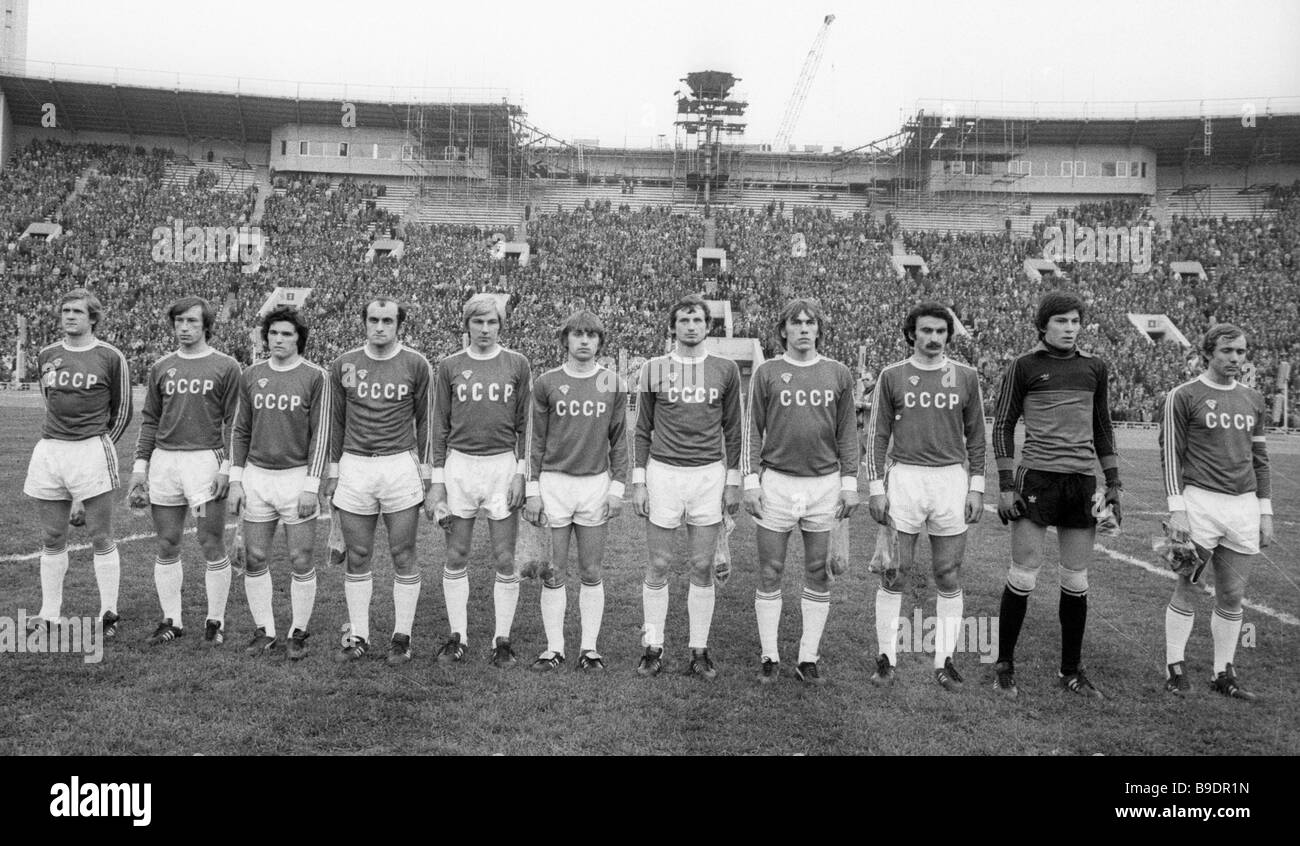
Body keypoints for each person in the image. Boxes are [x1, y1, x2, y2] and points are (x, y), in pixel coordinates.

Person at [991, 291, 1122, 699]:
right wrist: (1006, 486)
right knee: (1024, 573)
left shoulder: (1094, 368)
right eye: (1061, 321)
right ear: (1043, 326)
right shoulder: (1023, 366)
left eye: (1075, 321)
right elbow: (1002, 426)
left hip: (1081, 482)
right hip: (1037, 481)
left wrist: (1114, 484)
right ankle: (1004, 665)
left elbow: (1102, 427)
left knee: (1076, 578)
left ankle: (1071, 670)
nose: (1069, 328)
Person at [865, 302, 986, 690]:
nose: (933, 338)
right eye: (926, 331)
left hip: (951, 480)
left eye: (940, 331)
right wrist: (876, 488)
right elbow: (876, 435)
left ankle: (945, 660)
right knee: (896, 571)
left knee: (948, 572)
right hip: (906, 479)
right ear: (911, 334)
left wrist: (977, 487)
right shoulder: (893, 375)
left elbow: (977, 436)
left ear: (948, 335)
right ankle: (886, 657)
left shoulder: (966, 377)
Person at [743, 299, 858, 685]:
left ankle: (808, 657)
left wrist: (849, 484)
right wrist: (749, 481)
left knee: (817, 572)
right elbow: (751, 430)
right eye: (797, 323)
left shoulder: (838, 373)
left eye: (811, 323)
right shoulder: (768, 372)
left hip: (824, 484)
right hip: (776, 481)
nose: (804, 329)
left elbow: (847, 433)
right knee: (770, 570)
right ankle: (769, 654)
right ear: (784, 331)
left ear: (818, 330)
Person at [631, 294, 743, 679]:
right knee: (658, 564)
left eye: (697, 319)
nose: (691, 326)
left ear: (708, 326)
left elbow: (733, 430)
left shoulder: (725, 369)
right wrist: (640, 481)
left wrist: (732, 482)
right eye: (683, 320)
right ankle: (652, 646)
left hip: (708, 475)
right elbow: (642, 429)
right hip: (663, 473)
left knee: (701, 565)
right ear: (672, 327)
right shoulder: (654, 368)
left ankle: (699, 649)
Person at [1159, 324, 1272, 700]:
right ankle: (1175, 666)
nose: (1235, 359)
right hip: (1199, 504)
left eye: (1241, 352)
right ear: (1209, 353)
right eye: (1227, 351)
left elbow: (1260, 460)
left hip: (1243, 507)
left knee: (1233, 594)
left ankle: (1223, 672)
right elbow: (1171, 456)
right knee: (1188, 585)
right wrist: (1177, 510)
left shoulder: (1254, 398)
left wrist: (1265, 512)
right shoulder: (1183, 395)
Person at [325, 298, 433, 665]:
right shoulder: (345, 363)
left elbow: (426, 422)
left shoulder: (416, 364)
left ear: (398, 324)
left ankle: (401, 637)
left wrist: (427, 471)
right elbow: (336, 421)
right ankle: (358, 636)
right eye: (373, 319)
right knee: (358, 555)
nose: (380, 326)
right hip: (355, 466)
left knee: (404, 553)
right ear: (364, 321)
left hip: (399, 465)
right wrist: (334, 468)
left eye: (388, 320)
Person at [428, 294, 532, 668]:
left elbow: (526, 424)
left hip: (502, 466)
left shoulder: (517, 364)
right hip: (459, 467)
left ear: (500, 326)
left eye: (491, 322)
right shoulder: (449, 365)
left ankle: (502, 639)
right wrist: (437, 481)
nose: (485, 329)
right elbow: (438, 425)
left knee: (506, 557)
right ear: (467, 325)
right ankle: (458, 636)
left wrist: (522, 473)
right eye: (478, 322)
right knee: (456, 554)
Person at [131, 297, 240, 647]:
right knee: (167, 543)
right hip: (165, 465)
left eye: (192, 321)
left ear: (206, 325)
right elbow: (150, 420)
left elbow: (235, 423)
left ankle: (215, 619)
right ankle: (172, 620)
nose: (184, 327)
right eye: (179, 320)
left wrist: (227, 468)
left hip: (204, 466)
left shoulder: (226, 366)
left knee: (210, 540)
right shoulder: (162, 366)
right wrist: (140, 467)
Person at [523, 310, 628, 672]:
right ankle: (553, 648)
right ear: (565, 339)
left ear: (600, 342)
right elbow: (534, 441)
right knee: (553, 570)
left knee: (591, 569)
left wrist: (617, 488)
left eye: (591, 335)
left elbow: (619, 440)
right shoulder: (547, 382)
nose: (584, 341)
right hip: (553, 484)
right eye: (577, 334)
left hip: (594, 485)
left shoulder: (612, 382)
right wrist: (532, 489)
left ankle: (589, 648)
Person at [23, 288, 132, 637]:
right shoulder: (47, 354)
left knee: (100, 535)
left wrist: (101, 448)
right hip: (51, 449)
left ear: (93, 318)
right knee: (53, 535)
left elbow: (123, 411)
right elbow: (49, 400)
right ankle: (49, 612)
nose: (70, 316)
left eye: (78, 312)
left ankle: (108, 613)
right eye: (65, 310)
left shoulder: (110, 356)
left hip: (92, 449)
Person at [227, 307, 332, 661]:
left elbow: (321, 434)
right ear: (265, 337)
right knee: (255, 557)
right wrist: (236, 480)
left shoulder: (315, 376)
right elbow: (240, 430)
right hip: (257, 476)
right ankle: (265, 630)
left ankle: (298, 631)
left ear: (298, 338)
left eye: (287, 334)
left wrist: (311, 485)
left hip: (296, 477)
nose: (279, 340)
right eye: (274, 333)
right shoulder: (252, 373)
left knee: (300, 558)